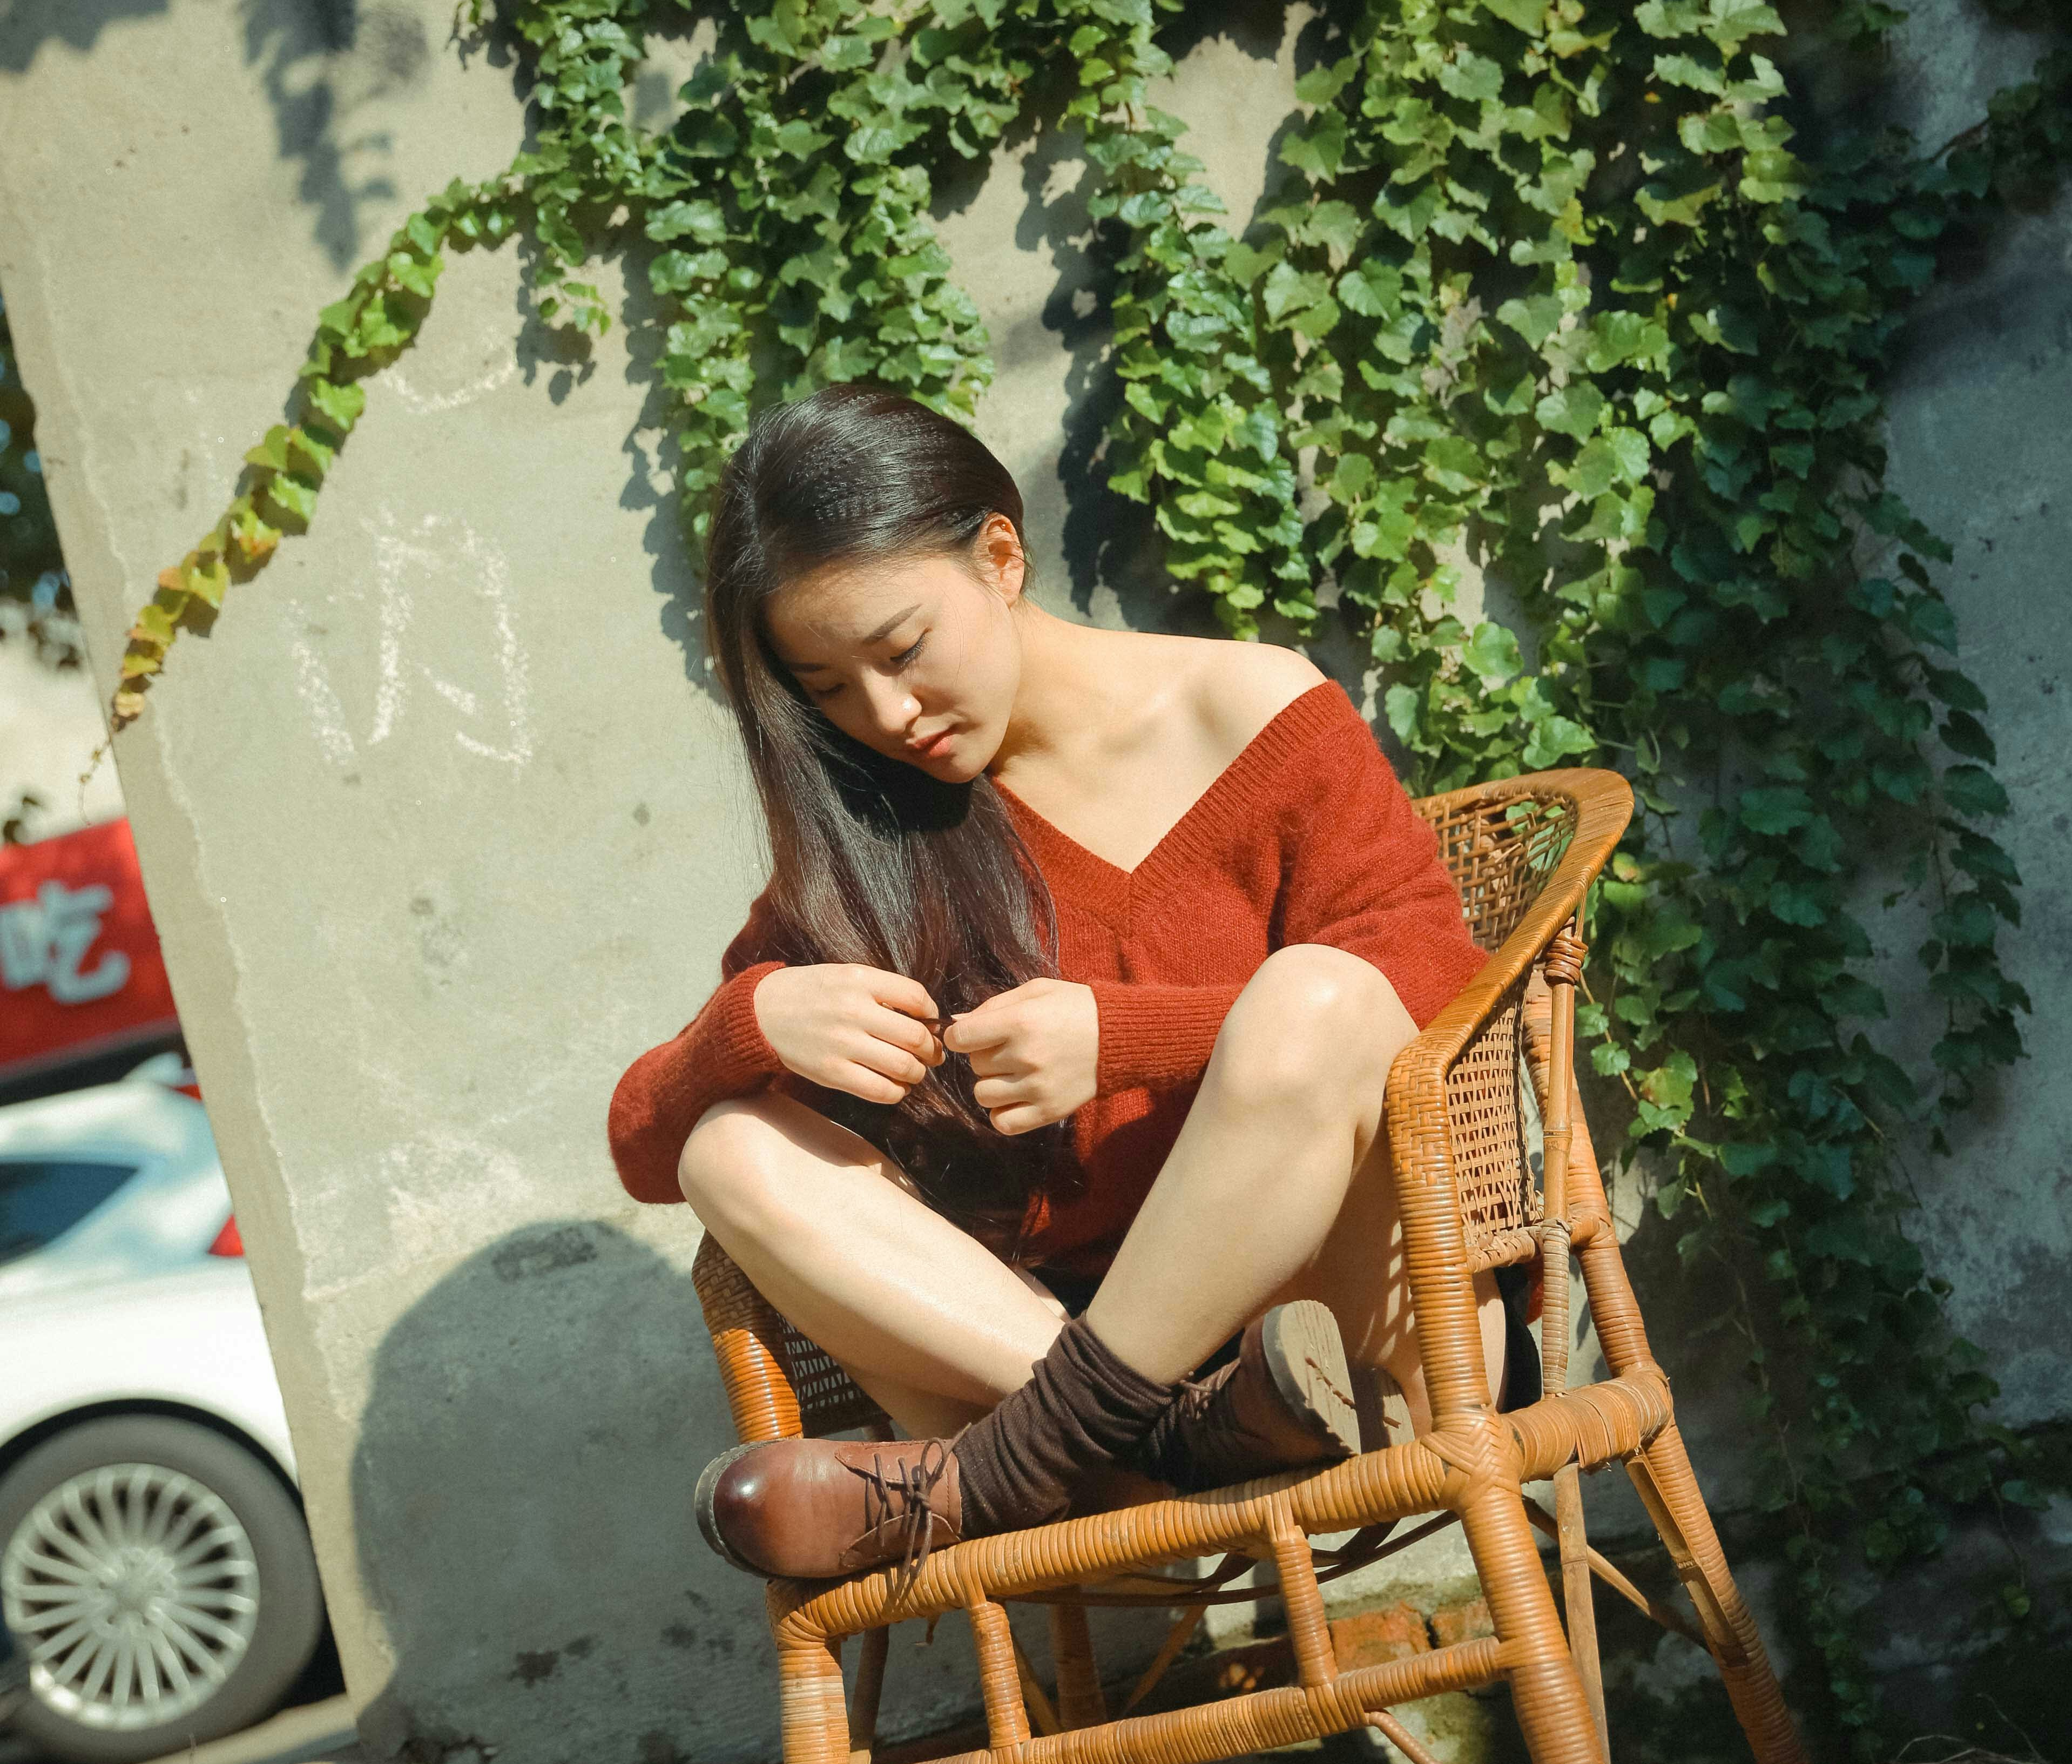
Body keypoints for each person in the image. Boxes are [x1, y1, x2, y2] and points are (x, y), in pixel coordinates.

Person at [609, 383, 1513, 1584]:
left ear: (999, 554)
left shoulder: (1249, 709)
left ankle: (996, 1476)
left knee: (1320, 997)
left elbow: (1439, 979)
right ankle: (1160, 1433)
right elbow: (641, 1148)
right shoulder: (880, 829)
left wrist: (1129, 1038)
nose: (884, 715)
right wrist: (750, 1022)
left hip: (1354, 1351)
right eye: (826, 689)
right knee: (727, 1145)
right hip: (1079, 1399)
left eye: (901, 651)